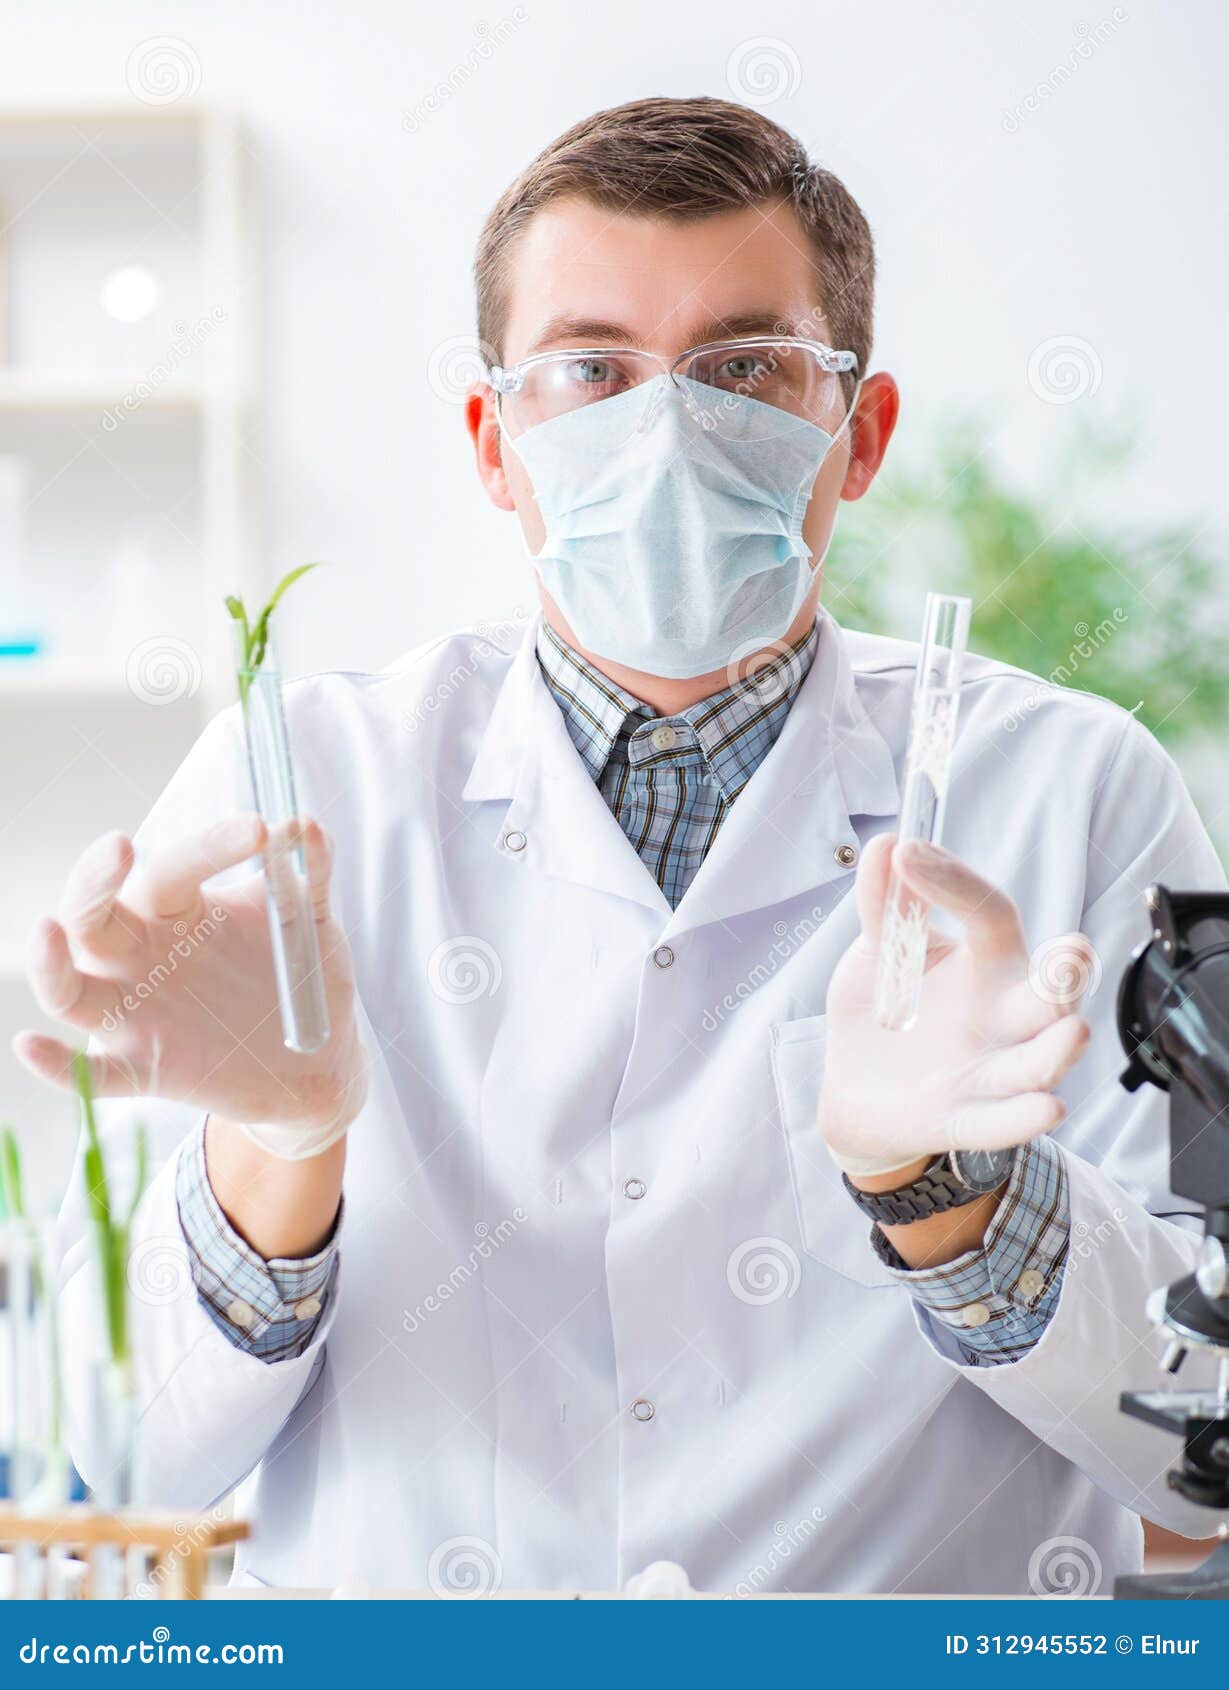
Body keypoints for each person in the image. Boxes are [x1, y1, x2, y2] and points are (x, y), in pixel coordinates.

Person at [17, 96, 1224, 1596]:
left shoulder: (1075, 790)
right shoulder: (296, 782)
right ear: (494, 440)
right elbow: (108, 1447)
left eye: (744, 369)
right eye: (589, 369)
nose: (663, 428)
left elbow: (1204, 1442)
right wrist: (280, 1147)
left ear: (858, 433)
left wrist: (955, 1191)